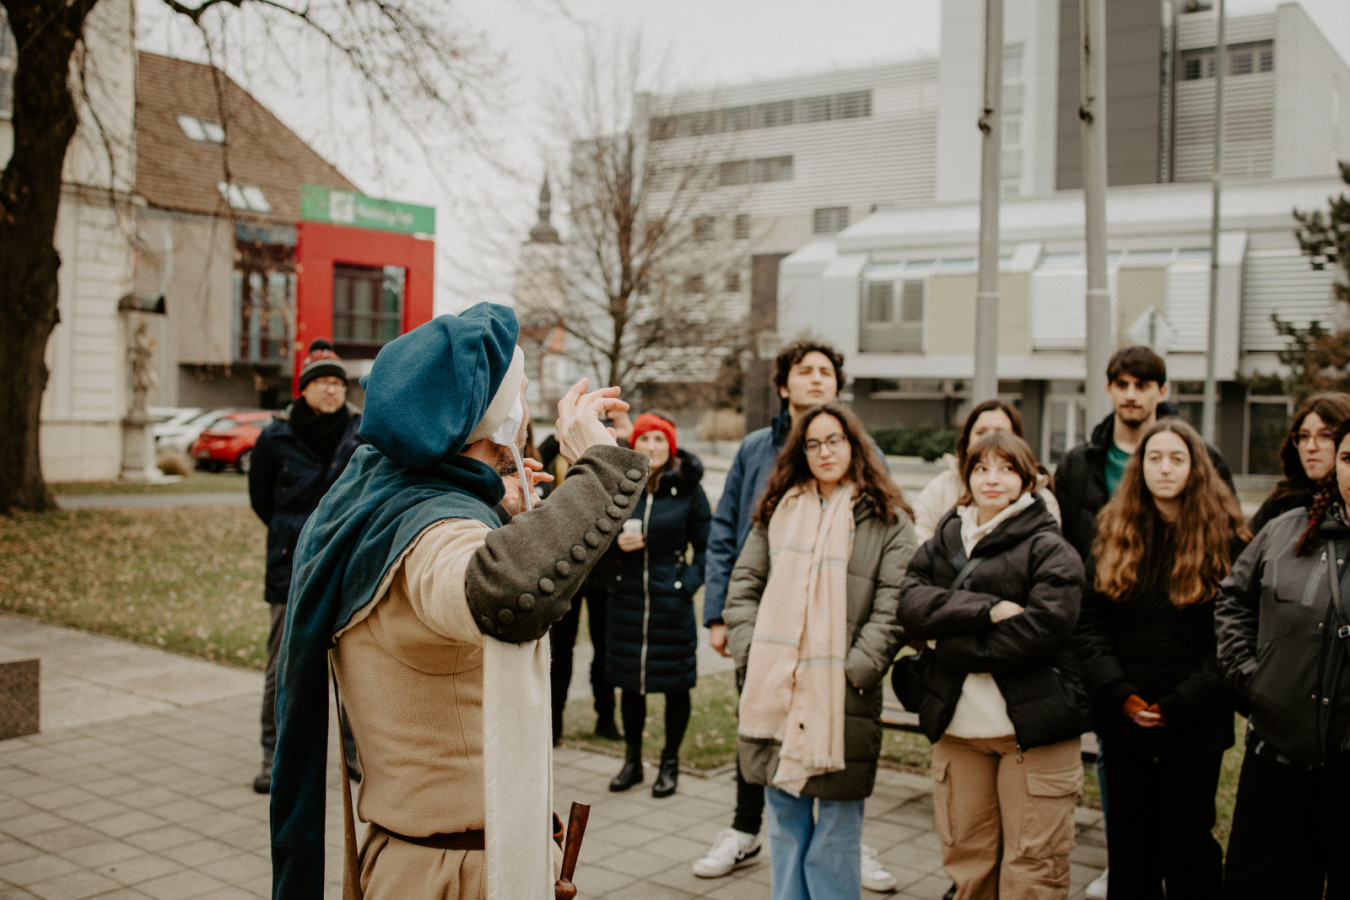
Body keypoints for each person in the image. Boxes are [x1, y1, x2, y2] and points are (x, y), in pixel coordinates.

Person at [268, 303, 649, 900]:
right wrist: (600, 468)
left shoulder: (382, 503)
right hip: (455, 878)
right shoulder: (433, 531)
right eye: (519, 398)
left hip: (422, 862)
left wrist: (503, 514)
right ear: (493, 420)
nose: (525, 417)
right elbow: (500, 591)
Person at [694, 340, 897, 891]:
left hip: (838, 665)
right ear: (784, 386)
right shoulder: (761, 460)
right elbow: (728, 540)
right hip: (770, 649)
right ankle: (742, 829)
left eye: (825, 372)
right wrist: (733, 627)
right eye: (803, 372)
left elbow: (891, 586)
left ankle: (845, 856)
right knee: (769, 766)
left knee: (833, 799)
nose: (814, 380)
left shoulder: (871, 479)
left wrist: (855, 664)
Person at [1053, 345, 1233, 900]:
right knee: (1128, 853)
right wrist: (1121, 693)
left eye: (1176, 459)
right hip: (1123, 717)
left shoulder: (1226, 541)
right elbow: (1089, 624)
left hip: (1194, 724)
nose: (1164, 468)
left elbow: (1234, 636)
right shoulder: (1112, 537)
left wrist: (1180, 704)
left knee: (1187, 850)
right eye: (1154, 459)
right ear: (1140, 469)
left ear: (1195, 467)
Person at [724, 402, 917, 900]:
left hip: (843, 695)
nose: (824, 451)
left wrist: (856, 668)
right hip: (776, 688)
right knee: (786, 825)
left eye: (834, 440)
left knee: (836, 832)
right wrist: (751, 651)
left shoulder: (888, 519)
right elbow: (743, 584)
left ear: (855, 447)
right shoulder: (779, 509)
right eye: (813, 444)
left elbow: (894, 605)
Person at [895, 432, 1088, 900]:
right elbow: (909, 603)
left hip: (1032, 732)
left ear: (1027, 478)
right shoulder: (946, 536)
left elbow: (1039, 634)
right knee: (970, 868)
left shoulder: (1050, 548)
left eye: (1005, 468)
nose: (992, 479)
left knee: (1032, 873)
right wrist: (986, 610)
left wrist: (946, 642)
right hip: (960, 734)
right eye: (981, 468)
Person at [1215, 418, 1350, 900]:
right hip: (1278, 759)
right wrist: (1250, 679)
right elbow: (1232, 601)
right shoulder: (1284, 531)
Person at [246, 339, 363, 794]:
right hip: (289, 568)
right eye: (323, 383)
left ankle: (357, 755)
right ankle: (272, 758)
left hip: (348, 564)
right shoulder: (275, 437)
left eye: (338, 383)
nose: (332, 391)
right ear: (305, 390)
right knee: (284, 668)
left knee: (356, 665)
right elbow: (261, 500)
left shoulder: (359, 432)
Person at [603, 412, 711, 797]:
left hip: (671, 603)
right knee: (630, 686)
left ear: (671, 446)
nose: (651, 447)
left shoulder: (688, 490)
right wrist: (617, 547)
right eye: (645, 439)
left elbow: (708, 547)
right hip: (627, 601)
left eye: (659, 440)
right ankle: (632, 761)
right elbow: (595, 537)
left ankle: (670, 762)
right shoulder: (622, 484)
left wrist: (686, 586)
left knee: (675, 686)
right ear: (635, 443)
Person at [546, 412, 633, 745]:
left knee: (604, 649)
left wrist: (621, 437)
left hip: (604, 569)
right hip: (565, 568)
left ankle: (606, 718)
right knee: (560, 650)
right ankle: (553, 724)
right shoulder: (553, 450)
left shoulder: (610, 451)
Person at [911, 399, 1061, 542]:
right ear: (967, 440)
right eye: (981, 432)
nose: (989, 440)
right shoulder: (942, 487)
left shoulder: (1040, 499)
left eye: (1000, 432)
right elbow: (918, 539)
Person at [1248, 392, 1350, 534]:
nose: (1311, 447)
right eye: (1304, 436)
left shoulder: (1343, 508)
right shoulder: (1283, 500)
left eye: (1325, 435)